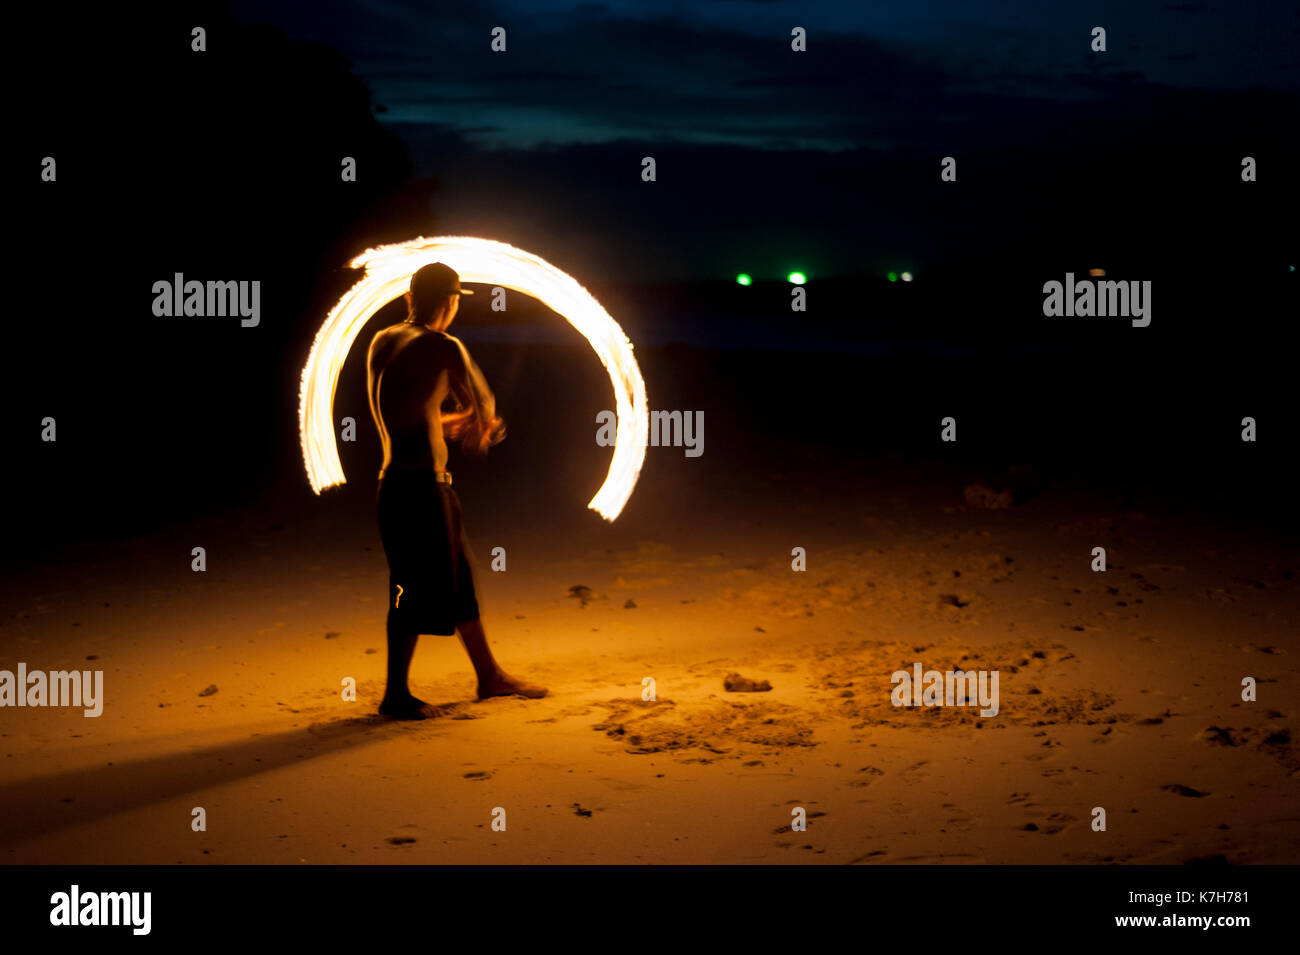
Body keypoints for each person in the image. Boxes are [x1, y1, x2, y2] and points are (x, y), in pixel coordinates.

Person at [366, 262, 546, 719]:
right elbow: (484, 406)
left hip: (392, 485)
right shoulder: (444, 345)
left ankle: (489, 676)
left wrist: (446, 422)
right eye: (455, 303)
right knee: (408, 587)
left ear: (409, 299)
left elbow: (403, 415)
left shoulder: (383, 341)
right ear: (450, 303)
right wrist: (481, 426)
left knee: (458, 579)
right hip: (424, 489)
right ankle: (396, 695)